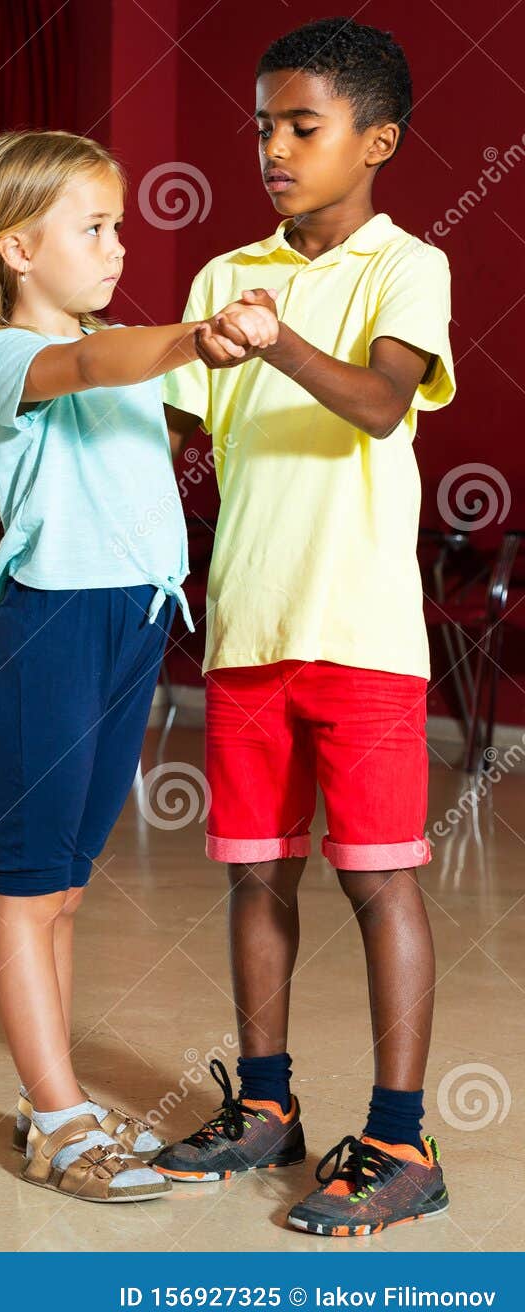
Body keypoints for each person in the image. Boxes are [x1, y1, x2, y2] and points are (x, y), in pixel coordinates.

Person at [150, 19, 456, 1238]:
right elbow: (182, 442)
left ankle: (399, 1137)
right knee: (255, 872)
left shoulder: (406, 263)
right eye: (263, 124)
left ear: (374, 142)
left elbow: (382, 404)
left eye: (301, 126)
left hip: (364, 634)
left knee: (378, 883)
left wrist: (279, 342)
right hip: (247, 631)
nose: (272, 146)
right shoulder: (222, 274)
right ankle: (265, 1105)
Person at [0, 128, 275, 1202]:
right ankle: (55, 1123)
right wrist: (193, 338)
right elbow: (90, 365)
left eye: (119, 224)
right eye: (92, 227)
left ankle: (63, 1096)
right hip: (53, 630)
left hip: (132, 623)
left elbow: (123, 381)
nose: (117, 245)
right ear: (14, 249)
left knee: (69, 891)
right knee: (29, 888)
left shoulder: (114, 342)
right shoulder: (6, 356)